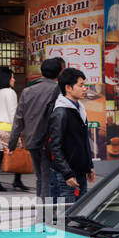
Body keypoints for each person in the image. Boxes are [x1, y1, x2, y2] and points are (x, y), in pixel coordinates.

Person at [7, 56, 64, 200]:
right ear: (59, 73)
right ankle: (47, 212)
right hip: (53, 142)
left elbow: (18, 120)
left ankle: (43, 211)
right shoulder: (60, 91)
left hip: (33, 140)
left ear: (42, 71)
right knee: (52, 178)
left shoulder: (27, 92)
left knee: (41, 177)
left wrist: (12, 144)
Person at [48, 67, 97, 204]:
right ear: (68, 88)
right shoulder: (61, 112)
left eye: (84, 85)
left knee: (79, 212)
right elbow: (55, 147)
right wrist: (67, 173)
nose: (84, 88)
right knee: (66, 215)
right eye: (81, 85)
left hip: (80, 171)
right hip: (66, 176)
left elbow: (83, 141)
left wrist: (89, 166)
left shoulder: (79, 109)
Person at [0, 67, 28, 194]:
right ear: (7, 79)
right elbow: (13, 112)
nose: (14, 79)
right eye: (12, 77)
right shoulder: (10, 92)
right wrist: (18, 129)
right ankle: (17, 180)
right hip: (7, 128)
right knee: (18, 151)